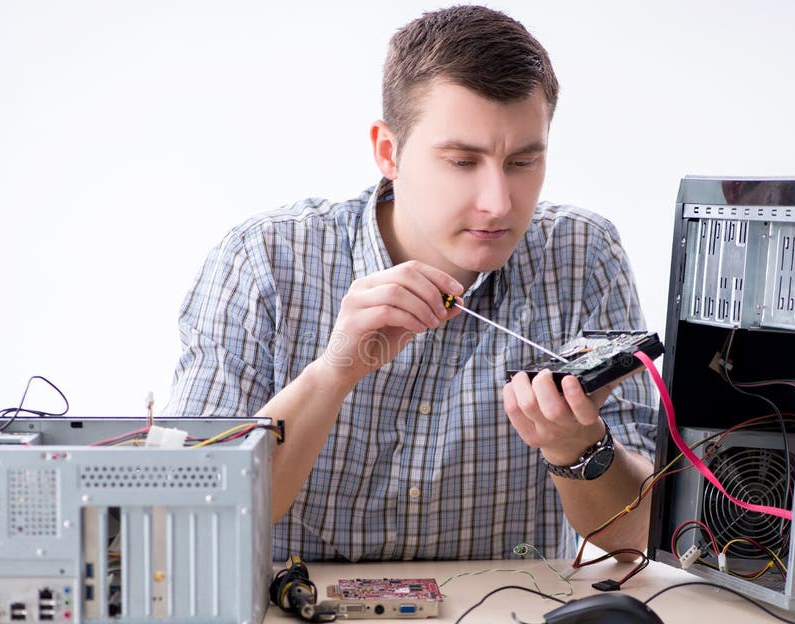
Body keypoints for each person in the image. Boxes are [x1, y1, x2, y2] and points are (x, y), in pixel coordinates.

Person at [165, 5, 657, 562]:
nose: (498, 204)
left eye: (522, 163)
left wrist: (575, 446)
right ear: (388, 152)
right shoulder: (263, 260)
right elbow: (194, 513)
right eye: (462, 161)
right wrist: (332, 374)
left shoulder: (583, 256)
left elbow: (632, 537)